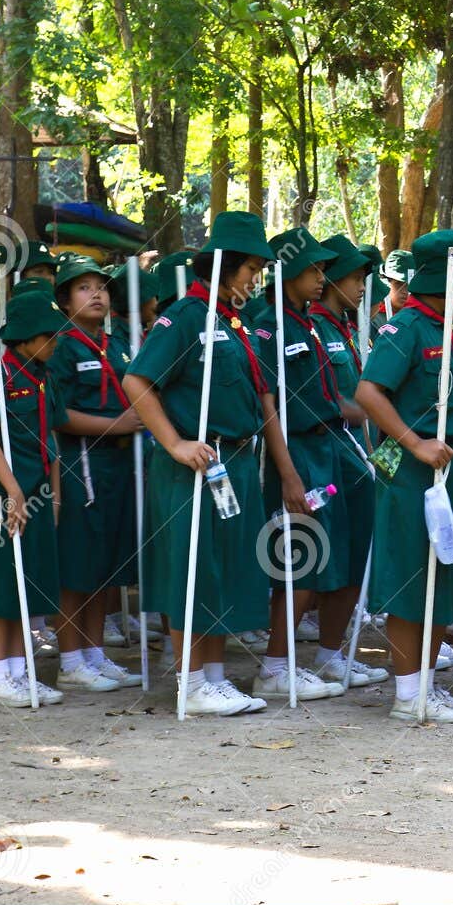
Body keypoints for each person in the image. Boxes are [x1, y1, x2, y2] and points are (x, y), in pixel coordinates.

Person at [123, 211, 282, 716]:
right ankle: (190, 682)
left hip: (231, 461)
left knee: (220, 571)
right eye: (251, 268)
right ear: (226, 265)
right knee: (191, 570)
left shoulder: (231, 319)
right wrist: (174, 443)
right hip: (194, 464)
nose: (255, 278)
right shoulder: (187, 316)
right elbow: (137, 381)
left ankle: (212, 677)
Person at [354, 229, 453, 725]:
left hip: (451, 463)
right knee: (413, 578)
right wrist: (414, 443)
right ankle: (408, 693)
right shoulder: (407, 328)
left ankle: (428, 687)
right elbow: (369, 393)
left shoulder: (452, 329)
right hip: (413, 470)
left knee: (445, 575)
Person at [249, 227, 360, 701]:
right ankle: (274, 667)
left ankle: (302, 660)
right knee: (298, 556)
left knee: (324, 556)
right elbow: (268, 405)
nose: (321, 277)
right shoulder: (269, 327)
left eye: (322, 269)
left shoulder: (307, 323)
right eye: (313, 269)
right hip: (293, 450)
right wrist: (288, 472)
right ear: (287, 271)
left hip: (325, 448)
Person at [0, 291, 68, 707]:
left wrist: (54, 495)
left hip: (38, 495)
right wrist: (13, 491)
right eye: (47, 335)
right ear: (24, 337)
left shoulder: (43, 376)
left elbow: (51, 438)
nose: (55, 342)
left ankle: (22, 673)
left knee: (29, 582)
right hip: (4, 498)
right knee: (0, 585)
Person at [46, 255, 142, 692]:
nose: (96, 294)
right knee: (77, 563)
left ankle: (95, 652)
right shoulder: (61, 347)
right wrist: (117, 425)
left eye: (101, 287)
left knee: (104, 564)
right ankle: (70, 660)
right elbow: (57, 413)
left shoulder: (118, 342)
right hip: (79, 462)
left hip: (119, 464)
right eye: (84, 288)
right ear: (65, 301)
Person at [306, 235, 388, 686]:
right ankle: (293, 659)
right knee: (327, 556)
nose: (361, 287)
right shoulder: (313, 327)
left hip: (357, 453)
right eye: (355, 278)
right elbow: (318, 396)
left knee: (354, 554)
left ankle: (331, 652)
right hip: (329, 451)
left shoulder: (344, 328)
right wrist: (360, 410)